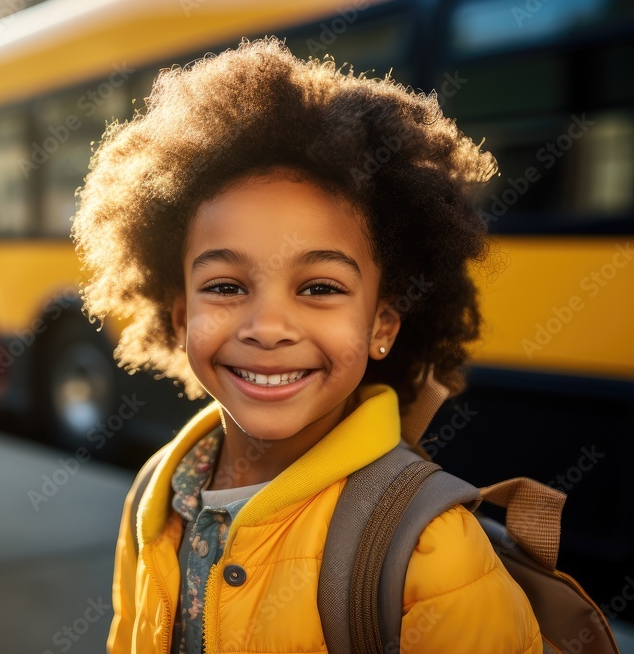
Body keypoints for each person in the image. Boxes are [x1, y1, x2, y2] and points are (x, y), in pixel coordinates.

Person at [72, 39, 541, 652]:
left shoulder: (430, 552)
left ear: (381, 325)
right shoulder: (156, 493)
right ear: (182, 316)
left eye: (319, 287)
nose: (268, 327)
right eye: (226, 286)